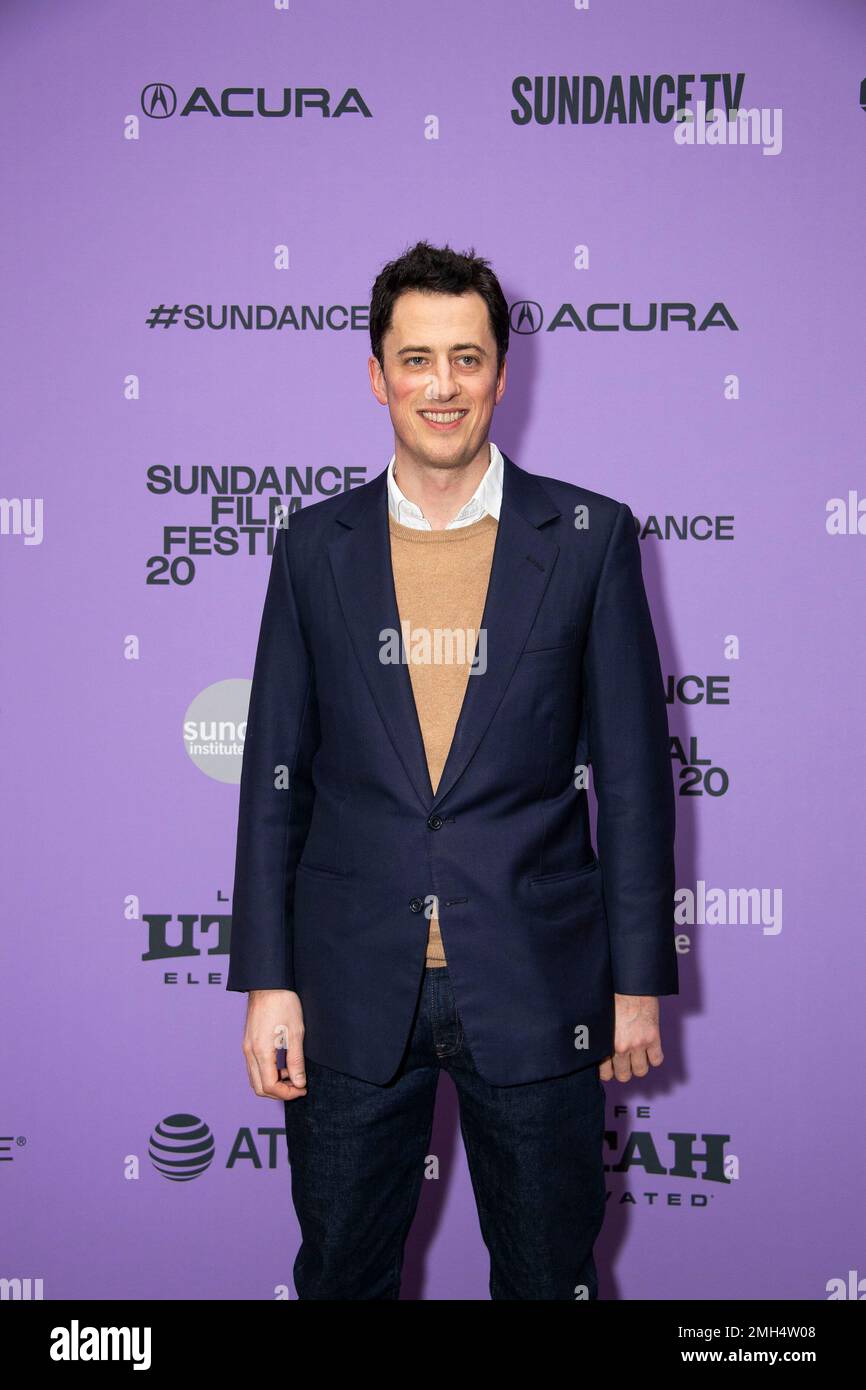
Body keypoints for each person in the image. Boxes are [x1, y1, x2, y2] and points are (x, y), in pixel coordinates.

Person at [226, 239, 678, 1300]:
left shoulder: (586, 537)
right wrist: (266, 980)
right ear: (376, 375)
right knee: (340, 1274)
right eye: (416, 359)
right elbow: (272, 776)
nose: (442, 386)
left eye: (466, 358)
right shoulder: (311, 546)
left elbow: (632, 777)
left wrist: (636, 982)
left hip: (536, 979)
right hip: (345, 987)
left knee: (544, 1276)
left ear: (502, 374)